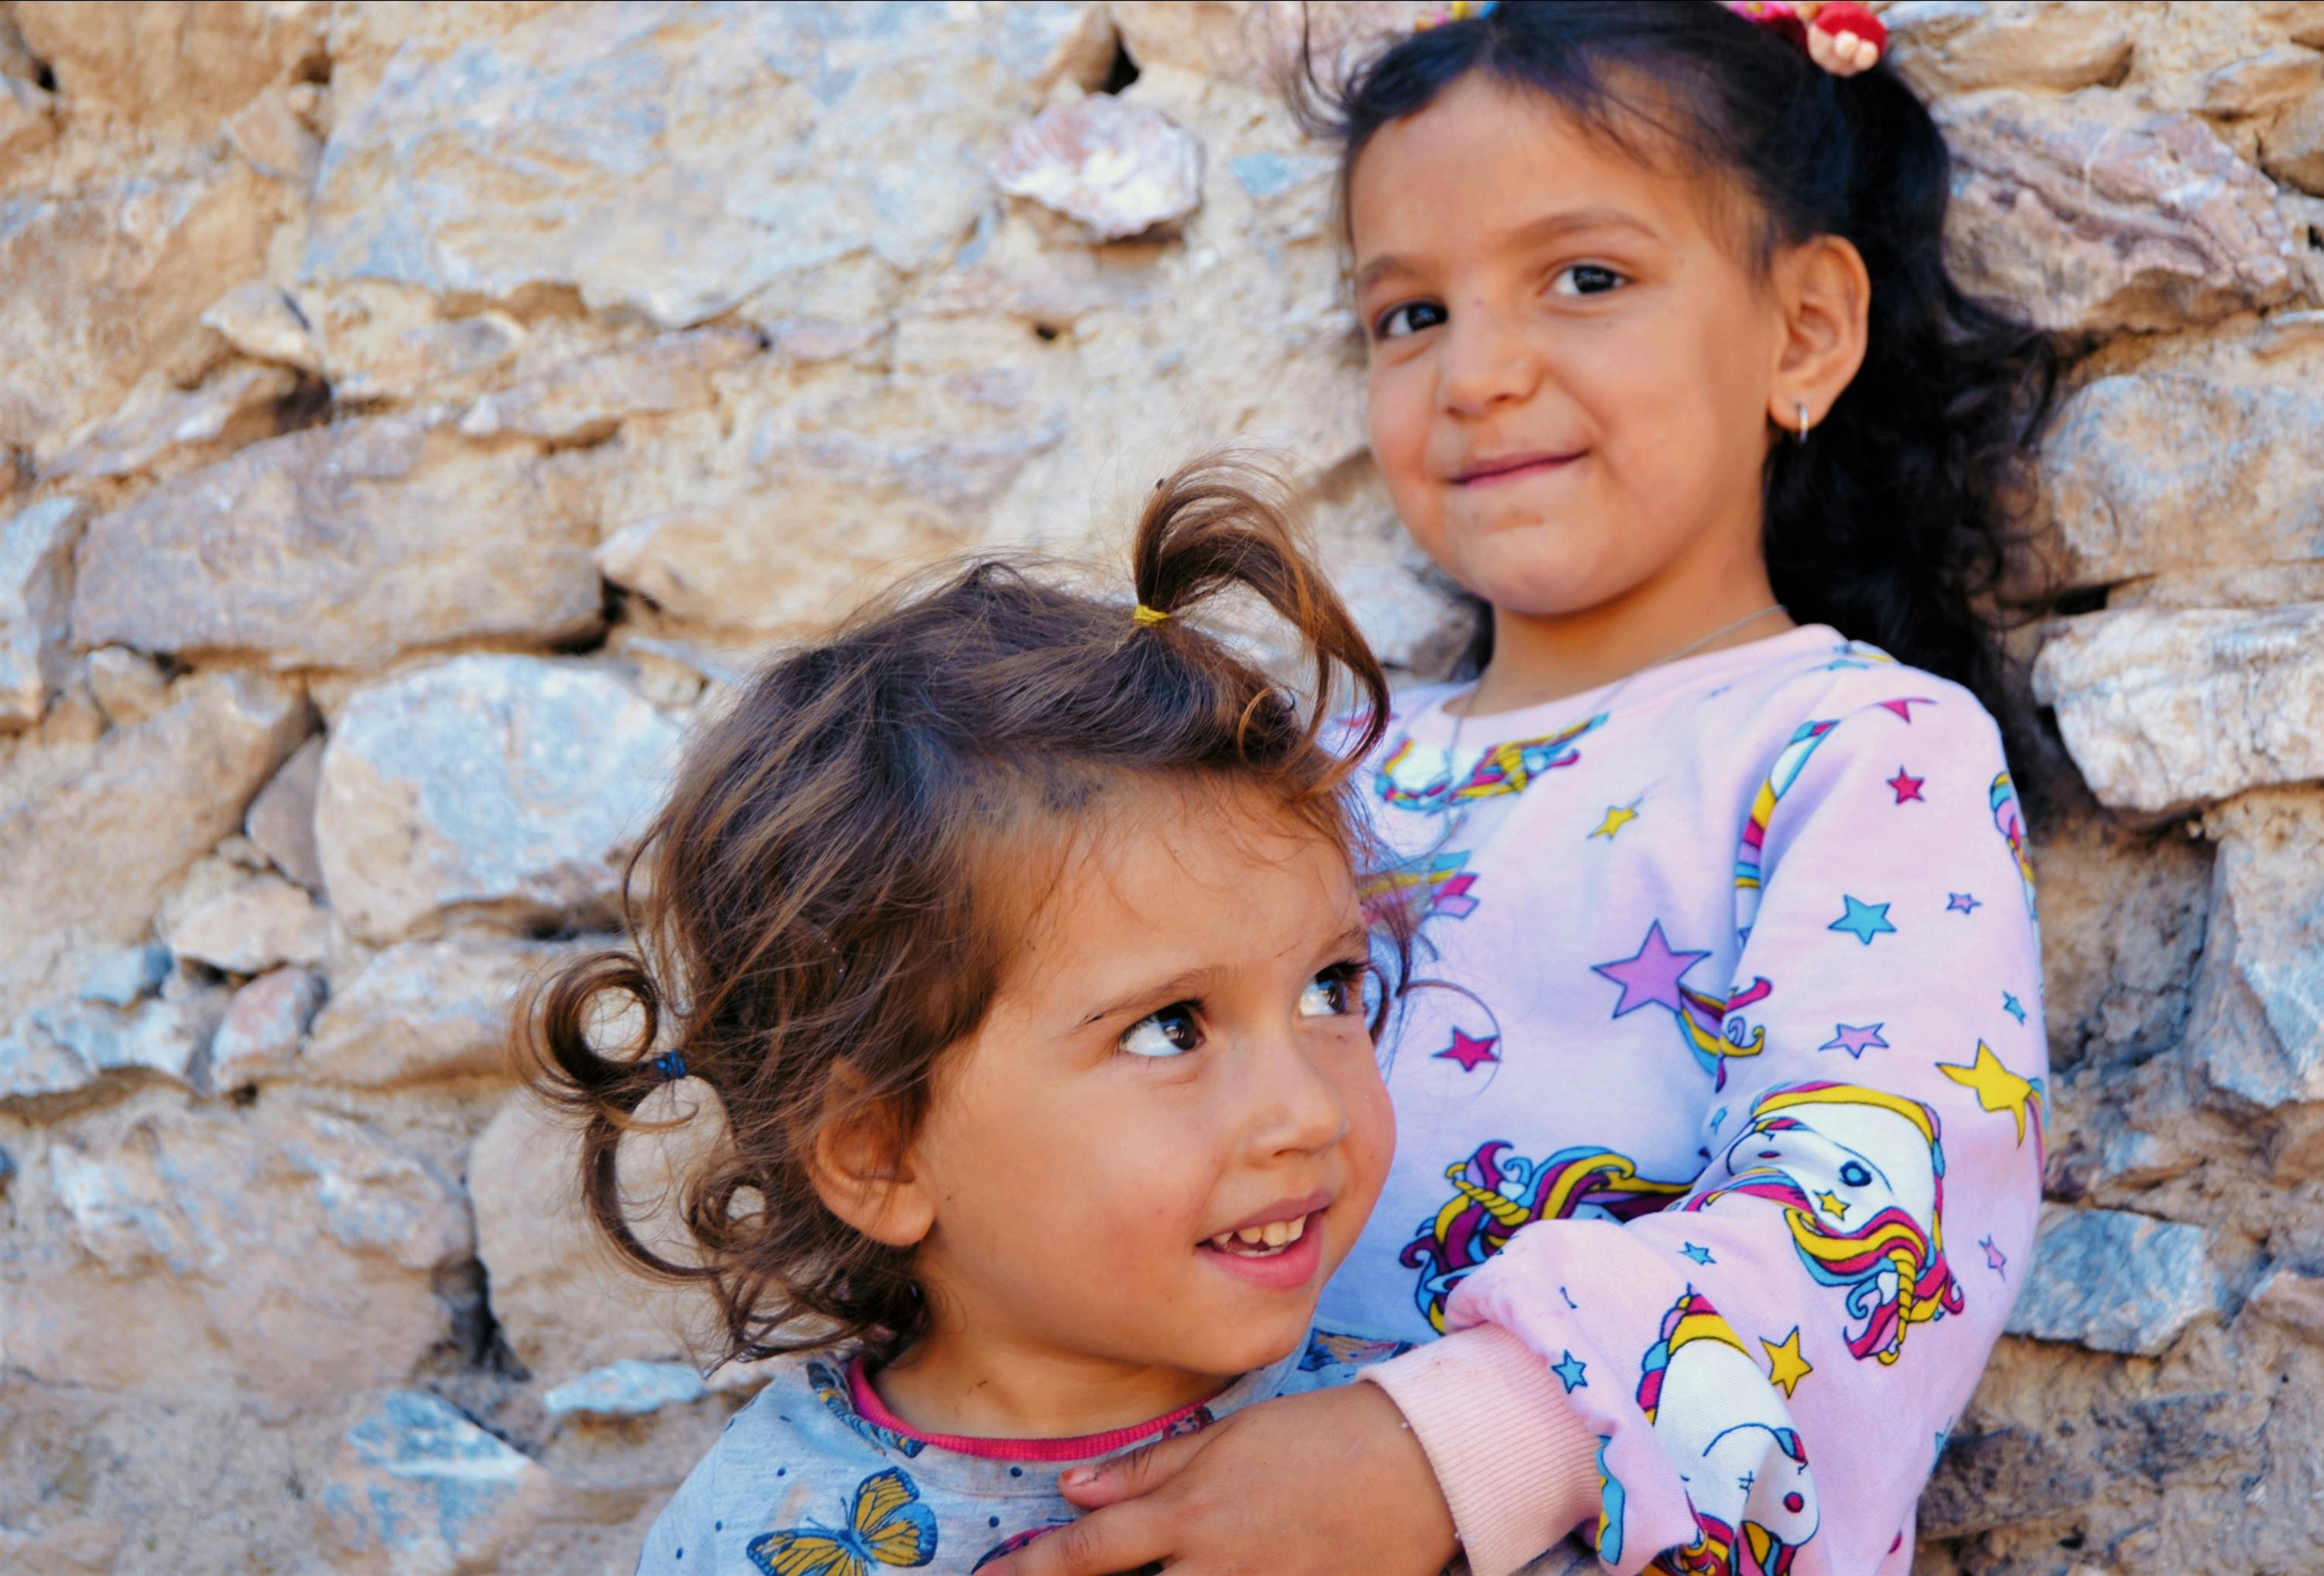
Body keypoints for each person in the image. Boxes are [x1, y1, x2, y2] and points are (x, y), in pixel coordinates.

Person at [986, 5, 2058, 1574]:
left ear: (1805, 331)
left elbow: (1873, 1221)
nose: (1477, 373)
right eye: (1409, 314)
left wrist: (1449, 1448)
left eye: (1587, 278)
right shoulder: (1302, 772)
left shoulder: (1859, 751)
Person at [519, 461, 1592, 1575]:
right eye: (1170, 1027)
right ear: (878, 1149)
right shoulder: (756, 1529)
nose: (1309, 1111)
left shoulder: (1406, 1469)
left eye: (1332, 988)